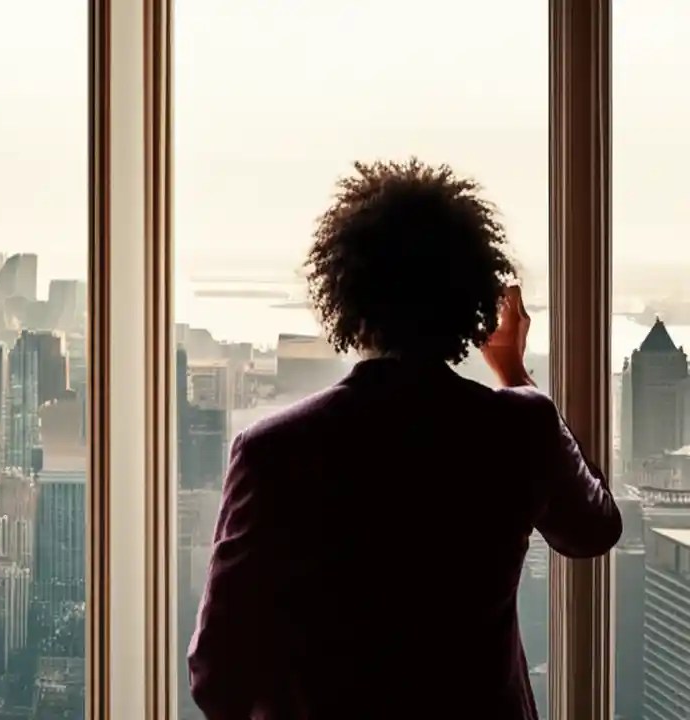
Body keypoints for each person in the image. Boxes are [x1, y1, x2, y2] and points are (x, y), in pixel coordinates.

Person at [187, 159, 621, 720]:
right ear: (468, 300)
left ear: (348, 300)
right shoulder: (515, 430)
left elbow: (218, 672)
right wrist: (513, 373)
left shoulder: (273, 451)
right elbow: (593, 529)